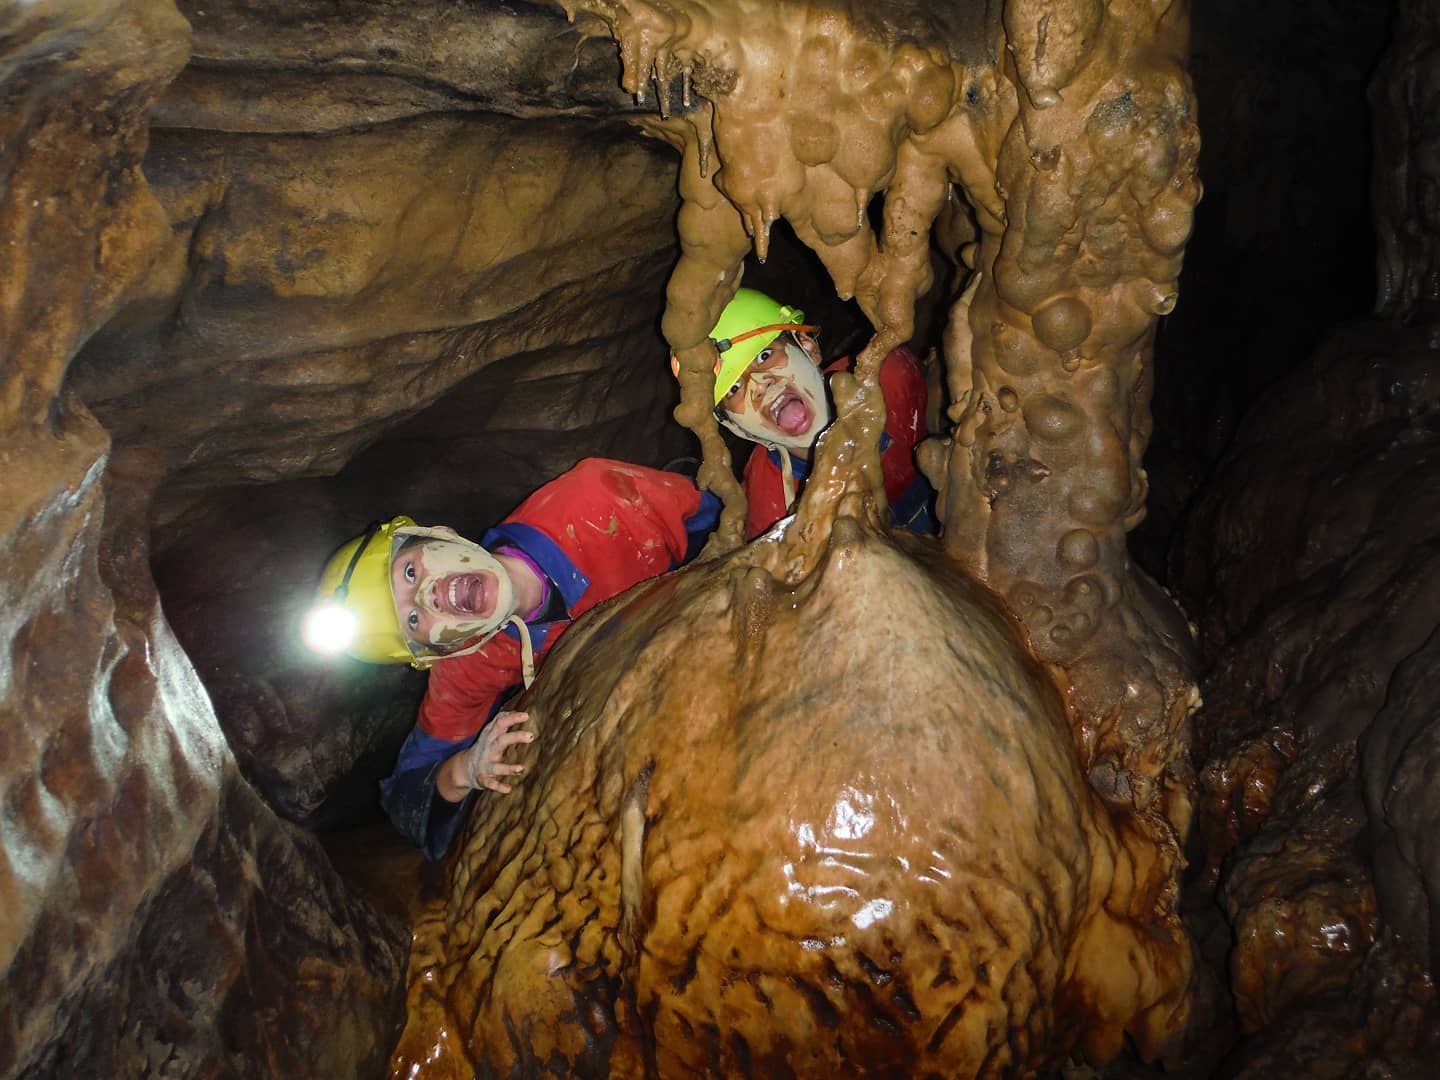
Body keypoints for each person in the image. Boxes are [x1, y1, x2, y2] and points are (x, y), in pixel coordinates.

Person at [304, 457, 719, 859]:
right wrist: (466, 769)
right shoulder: (470, 664)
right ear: (439, 651)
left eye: (410, 572)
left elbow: (733, 521)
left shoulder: (598, 500)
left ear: (439, 534)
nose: (430, 595)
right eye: (413, 619)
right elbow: (408, 799)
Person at [676, 287, 935, 539]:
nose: (760, 383)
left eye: (764, 355)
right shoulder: (770, 507)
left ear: (808, 347)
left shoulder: (892, 378)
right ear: (736, 427)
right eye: (734, 389)